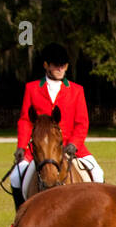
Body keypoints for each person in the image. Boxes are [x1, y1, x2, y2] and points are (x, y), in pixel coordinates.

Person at [8, 43, 103, 210]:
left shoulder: (76, 90)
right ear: (46, 65)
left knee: (98, 173)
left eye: (63, 65)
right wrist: (22, 146)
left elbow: (82, 123)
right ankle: (19, 220)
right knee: (15, 177)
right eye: (55, 65)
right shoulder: (32, 88)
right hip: (40, 149)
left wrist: (74, 143)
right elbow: (25, 120)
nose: (60, 69)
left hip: (70, 147)